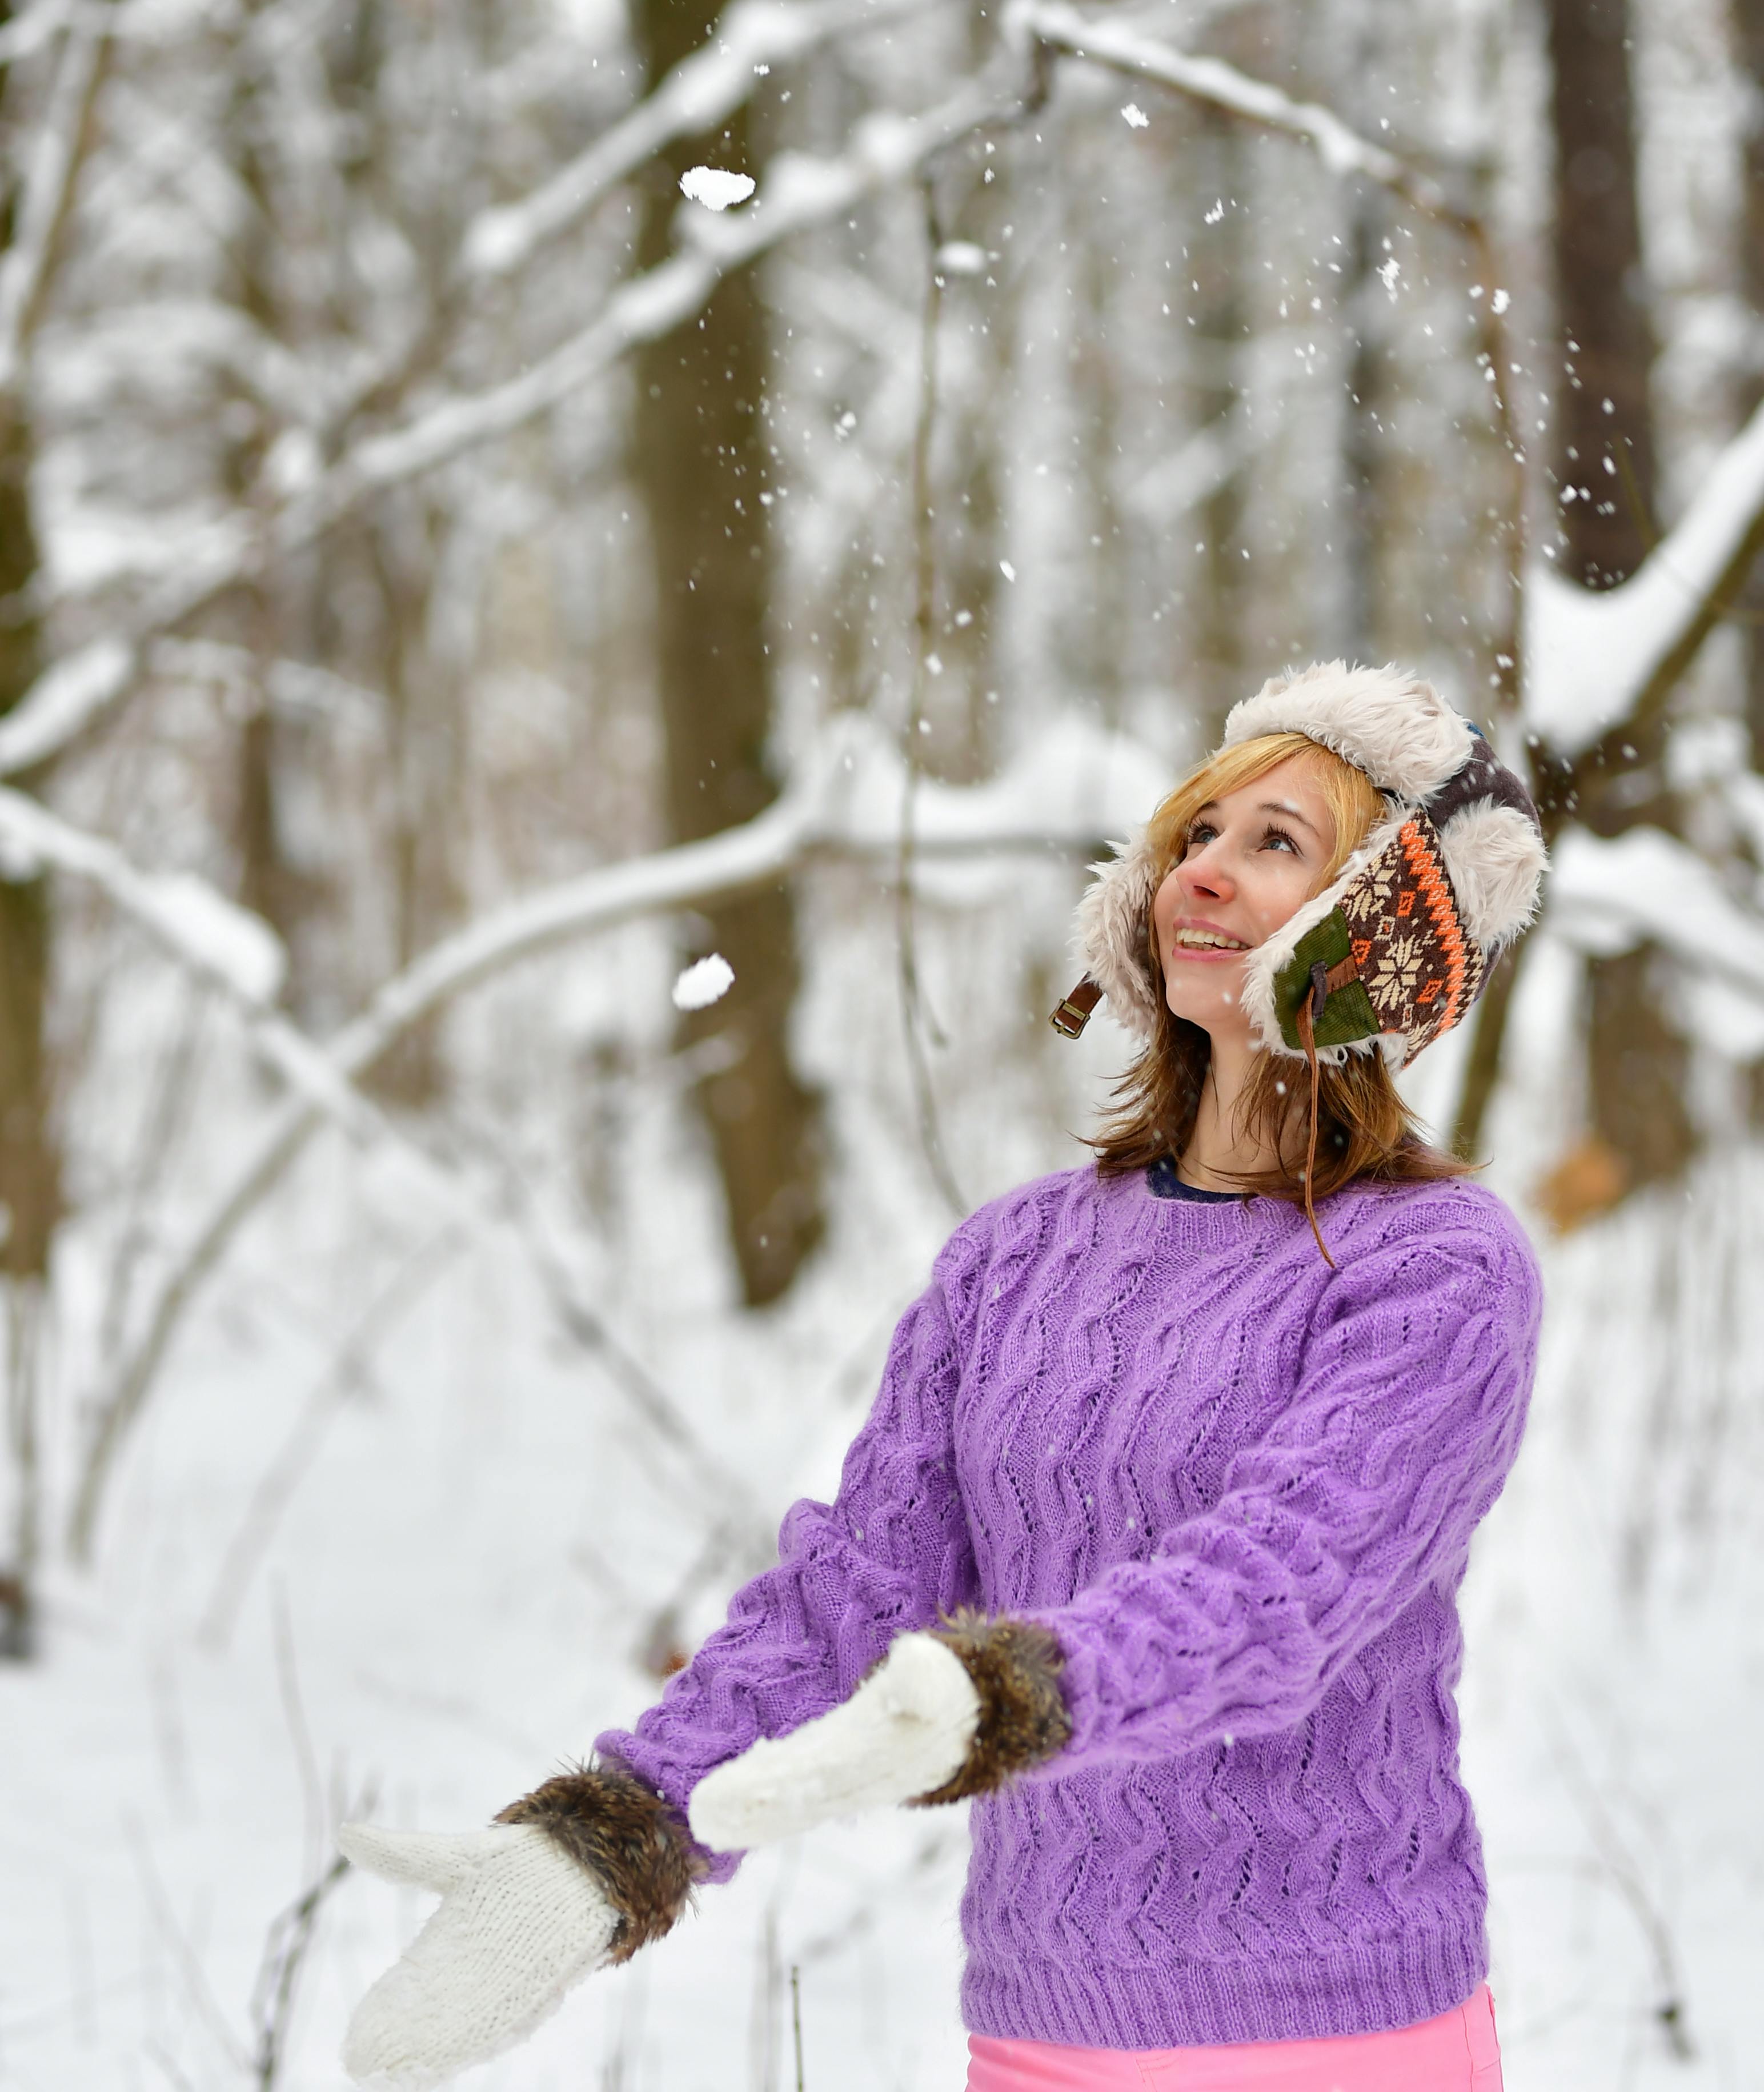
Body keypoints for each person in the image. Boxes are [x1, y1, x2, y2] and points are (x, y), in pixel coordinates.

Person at [339, 660, 1546, 2092]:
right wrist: (622, 1828)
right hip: (1037, 2027)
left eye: (1275, 843)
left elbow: (1276, 1591)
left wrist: (1010, 1691)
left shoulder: (1435, 1269)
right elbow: (859, 1587)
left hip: (1331, 2030)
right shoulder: (1015, 1257)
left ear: (1383, 933)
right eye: (1196, 834)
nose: (1202, 873)